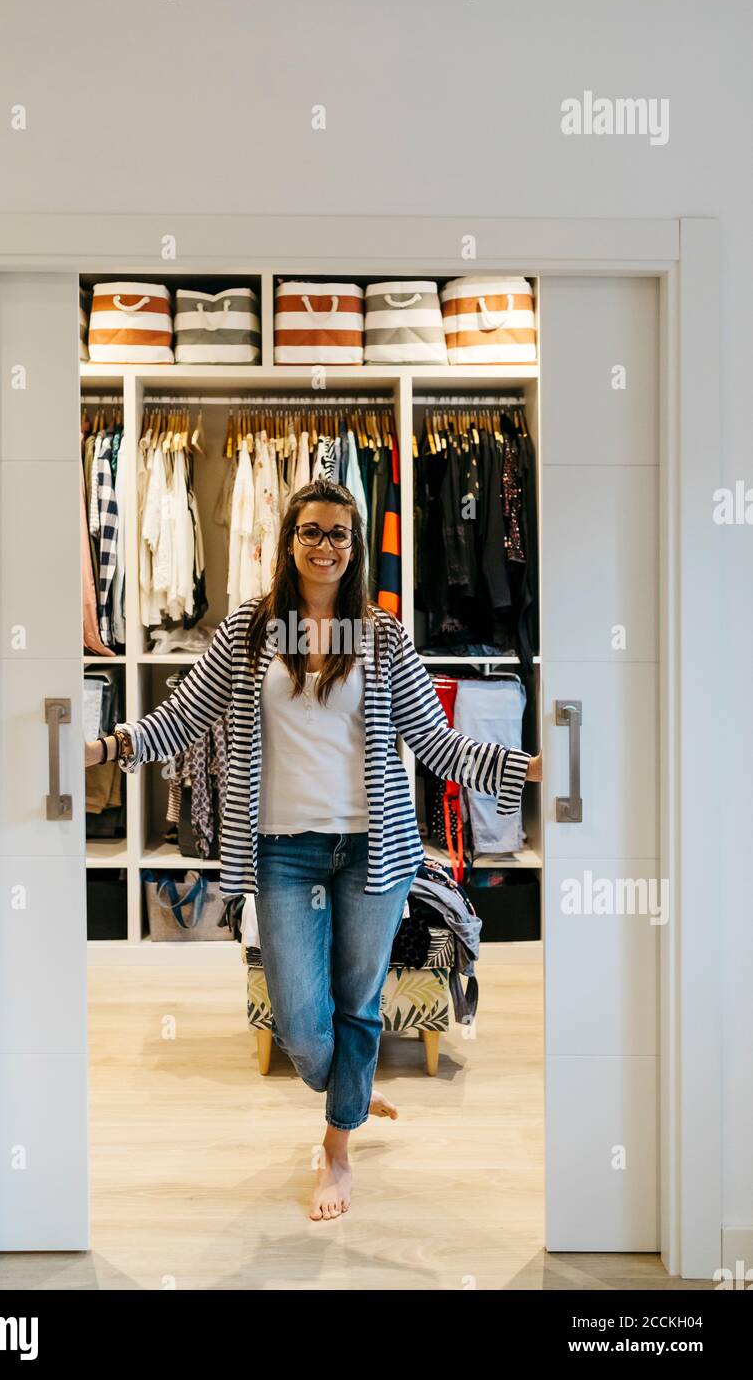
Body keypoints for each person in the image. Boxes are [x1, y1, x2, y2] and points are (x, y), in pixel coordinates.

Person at [86, 478, 542, 1221]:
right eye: (312, 531)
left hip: (374, 850)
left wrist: (519, 765)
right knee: (300, 1024)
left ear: (355, 546)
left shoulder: (384, 636)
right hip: (283, 852)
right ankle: (351, 1088)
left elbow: (433, 741)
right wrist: (105, 746)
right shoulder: (250, 633)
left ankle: (337, 1151)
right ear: (287, 542)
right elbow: (182, 718)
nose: (326, 545)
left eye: (339, 533)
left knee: (359, 1004)